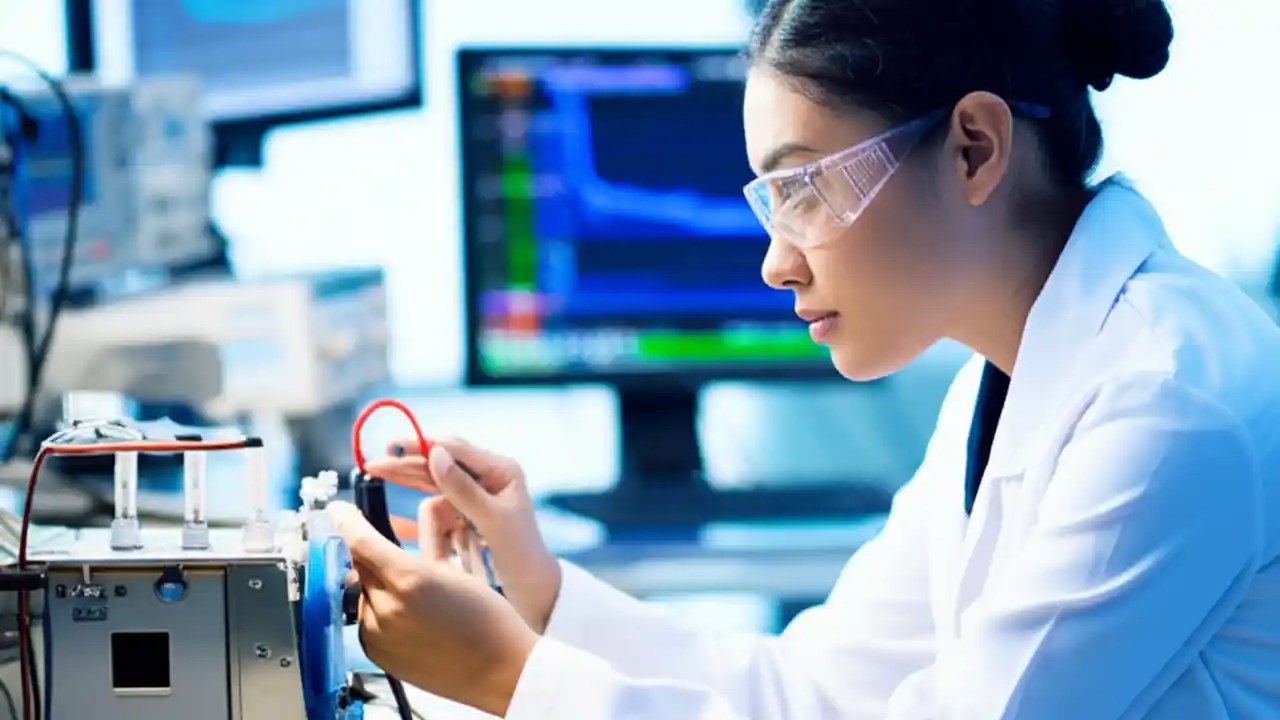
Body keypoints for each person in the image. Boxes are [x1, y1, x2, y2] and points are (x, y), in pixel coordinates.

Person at [328, 0, 1280, 717]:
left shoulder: (1167, 405)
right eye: (770, 202)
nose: (776, 263)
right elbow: (809, 691)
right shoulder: (1003, 385)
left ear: (974, 148)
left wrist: (509, 676)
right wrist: (535, 591)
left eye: (805, 190)